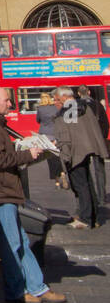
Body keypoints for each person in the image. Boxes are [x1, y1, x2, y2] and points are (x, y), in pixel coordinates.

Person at [0, 86, 64, 303]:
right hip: (1, 190)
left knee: (20, 239)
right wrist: (28, 154)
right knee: (12, 243)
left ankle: (37, 287)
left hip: (3, 189)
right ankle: (16, 291)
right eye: (7, 100)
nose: (11, 104)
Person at [53, 87, 106, 230]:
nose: (55, 103)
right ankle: (93, 217)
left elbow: (66, 135)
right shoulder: (84, 106)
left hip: (75, 152)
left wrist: (64, 153)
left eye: (56, 100)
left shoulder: (65, 112)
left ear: (64, 98)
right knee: (88, 183)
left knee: (81, 185)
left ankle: (85, 218)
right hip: (88, 148)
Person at [34, 93, 66, 187]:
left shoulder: (40, 109)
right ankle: (63, 173)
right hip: (55, 133)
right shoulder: (55, 107)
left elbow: (38, 120)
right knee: (58, 155)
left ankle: (56, 181)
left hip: (45, 136)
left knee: (50, 158)